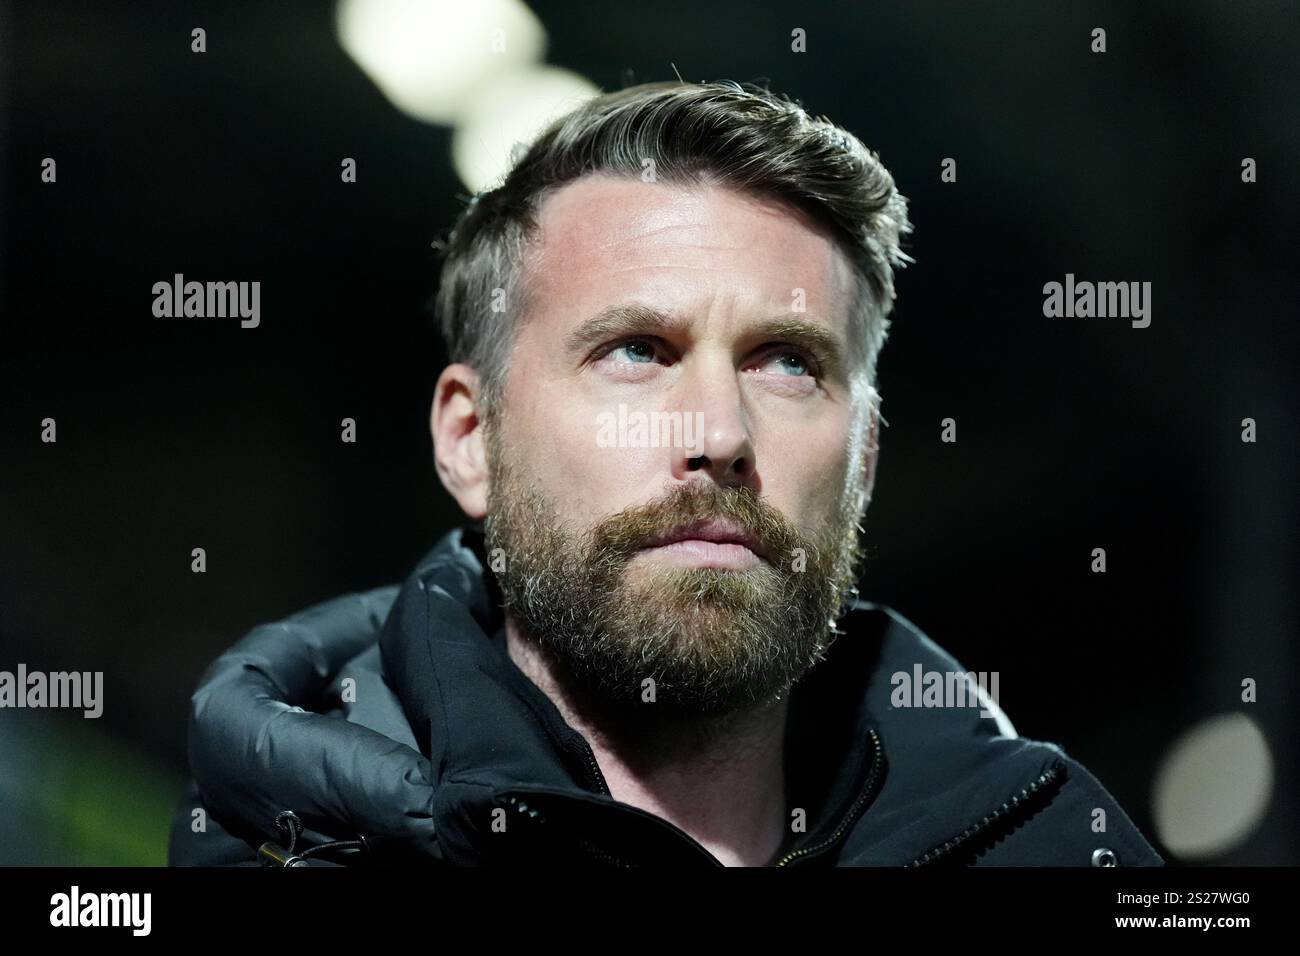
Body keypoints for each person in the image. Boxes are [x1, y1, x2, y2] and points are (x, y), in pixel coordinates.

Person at [167, 80, 1163, 867]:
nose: (719, 431)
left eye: (788, 362)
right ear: (472, 438)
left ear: (861, 456)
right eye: (637, 351)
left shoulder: (1057, 848)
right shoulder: (299, 849)